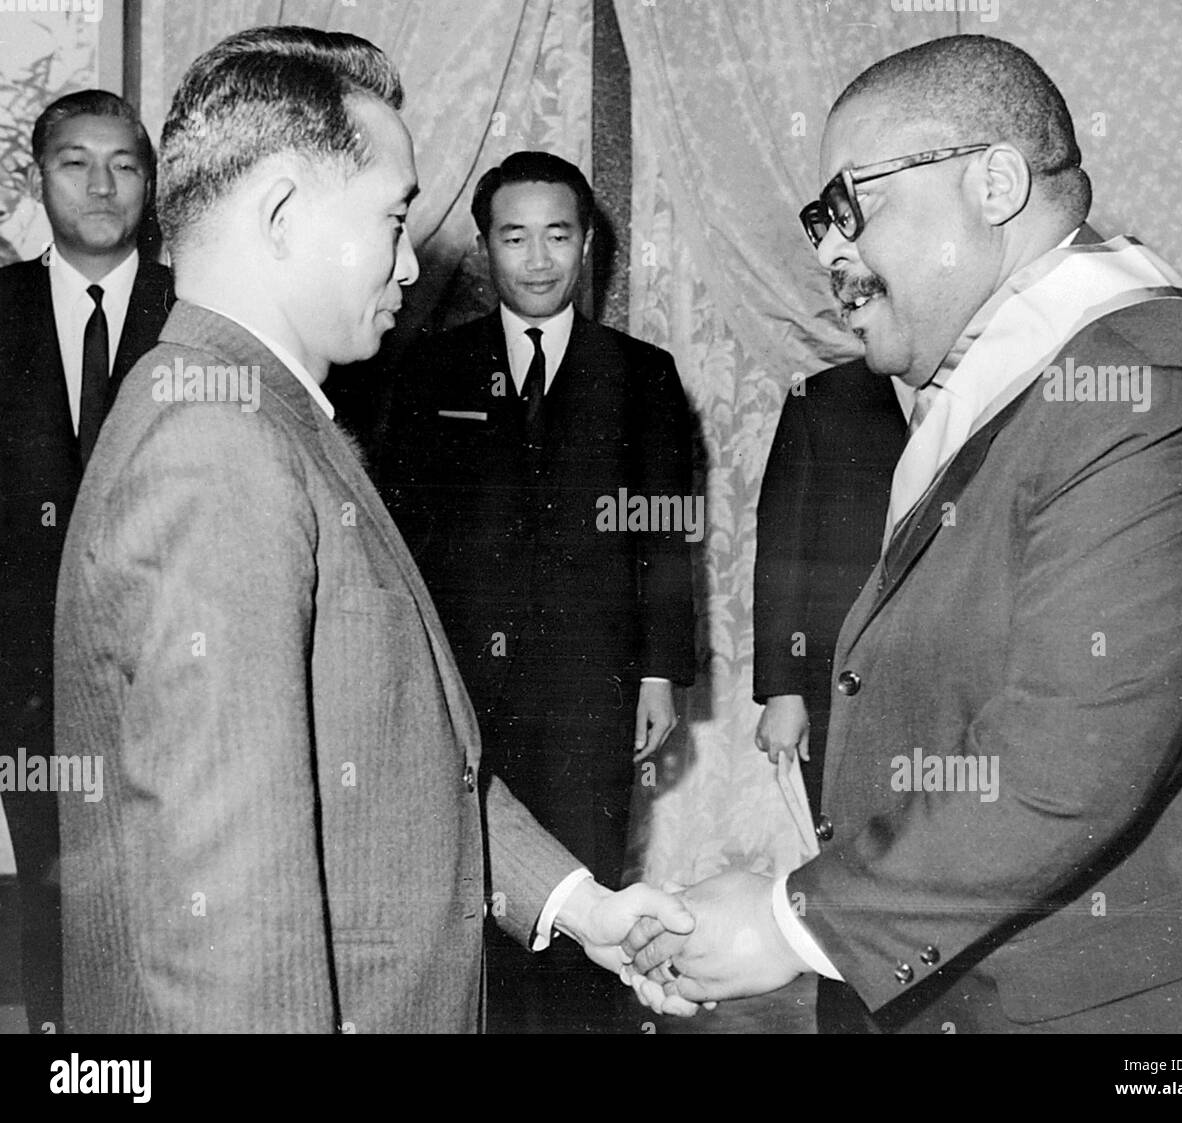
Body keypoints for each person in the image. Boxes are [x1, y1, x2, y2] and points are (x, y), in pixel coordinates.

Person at [629, 33, 1182, 1035]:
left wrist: (790, 920)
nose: (828, 252)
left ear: (993, 183)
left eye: (848, 206)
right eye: (817, 221)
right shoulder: (1034, 387)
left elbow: (1061, 760)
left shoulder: (1147, 398)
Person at [54, 26, 694, 1034]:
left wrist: (580, 904)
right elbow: (229, 929)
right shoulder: (216, 450)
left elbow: (402, 744)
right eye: (394, 218)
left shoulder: (263, 411)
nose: (411, 262)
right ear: (279, 212)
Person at [377, 150, 697, 1032]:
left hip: (588, 682)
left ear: (588, 243)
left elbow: (667, 533)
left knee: (581, 875)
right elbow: (400, 532)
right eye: (514, 237)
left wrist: (660, 671)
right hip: (458, 680)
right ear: (485, 248)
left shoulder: (643, 374)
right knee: (465, 876)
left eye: (558, 235)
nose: (538, 258)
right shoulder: (428, 371)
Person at [0, 89, 172, 1034]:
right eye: (76, 162)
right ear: (38, 177)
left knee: (169, 888)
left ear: (151, 182)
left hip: (175, 662)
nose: (102, 185)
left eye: (124, 164)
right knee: (51, 885)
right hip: (23, 672)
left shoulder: (198, 311)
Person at [752, 359, 905, 819]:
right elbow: (784, 548)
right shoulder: (822, 398)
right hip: (841, 690)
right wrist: (784, 691)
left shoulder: (997, 383)